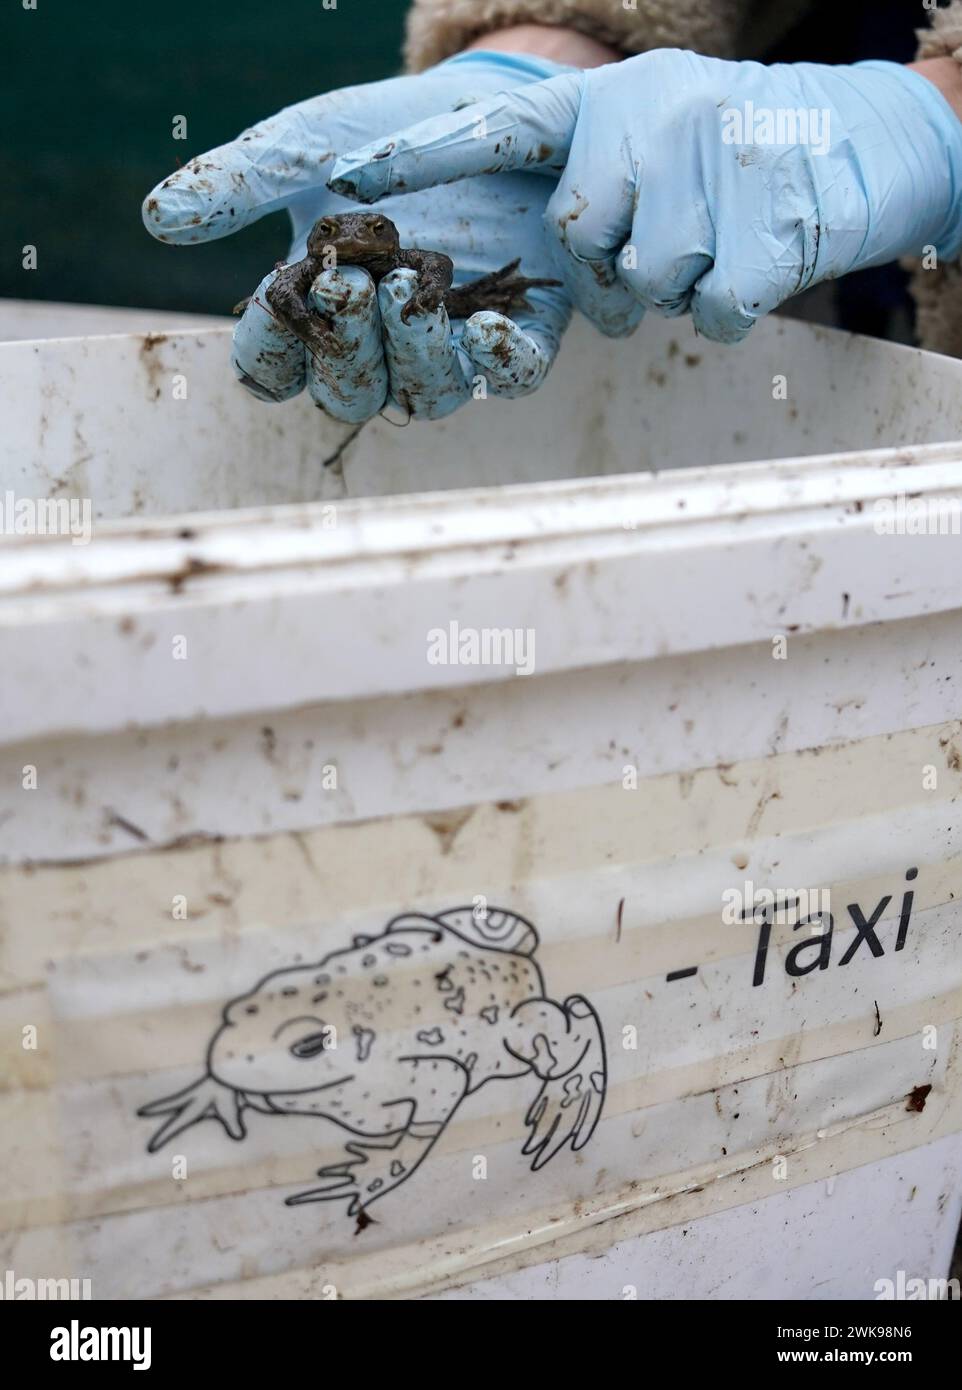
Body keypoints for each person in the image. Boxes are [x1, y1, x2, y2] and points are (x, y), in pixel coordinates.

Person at [143, 1, 962, 423]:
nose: (342, 242)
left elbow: (424, 274)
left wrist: (945, 112)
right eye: (334, 237)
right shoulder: (328, 261)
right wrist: (557, 40)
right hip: (710, 191)